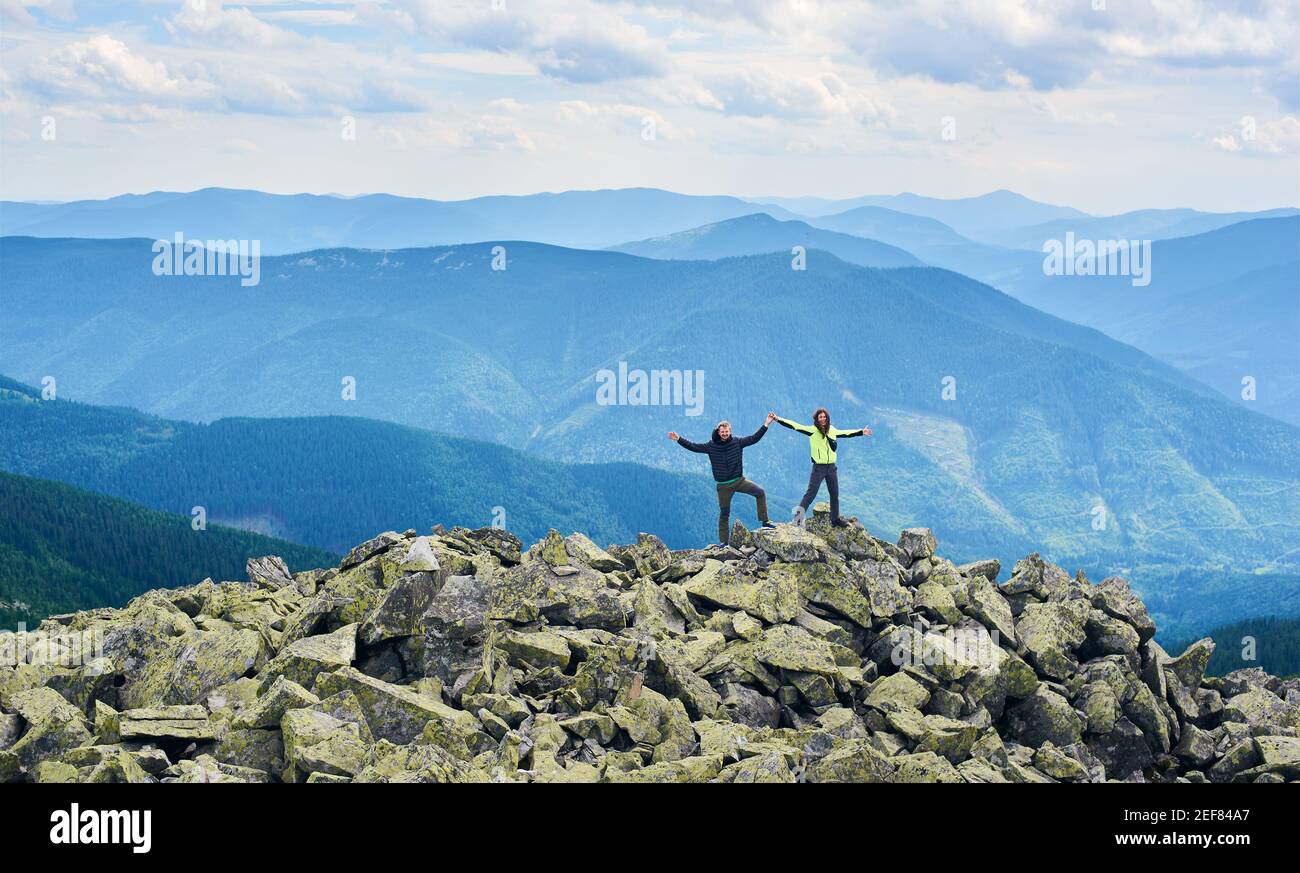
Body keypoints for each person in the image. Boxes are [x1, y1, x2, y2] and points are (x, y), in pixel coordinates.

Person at [670, 413, 777, 544]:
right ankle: (723, 543)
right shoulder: (711, 446)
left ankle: (765, 521)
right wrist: (678, 439)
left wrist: (766, 424)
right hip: (723, 486)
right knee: (724, 513)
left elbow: (754, 438)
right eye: (722, 432)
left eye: (726, 431)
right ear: (718, 432)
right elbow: (694, 447)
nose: (725, 433)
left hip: (739, 481)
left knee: (760, 492)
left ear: (730, 431)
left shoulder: (738, 442)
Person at [774, 408, 871, 528]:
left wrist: (861, 431)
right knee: (810, 494)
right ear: (816, 419)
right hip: (818, 468)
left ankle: (835, 520)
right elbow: (795, 426)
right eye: (820, 417)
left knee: (834, 495)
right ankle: (797, 519)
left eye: (824, 416)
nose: (823, 418)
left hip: (831, 467)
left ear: (827, 418)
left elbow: (846, 433)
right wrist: (778, 419)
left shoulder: (833, 430)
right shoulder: (812, 430)